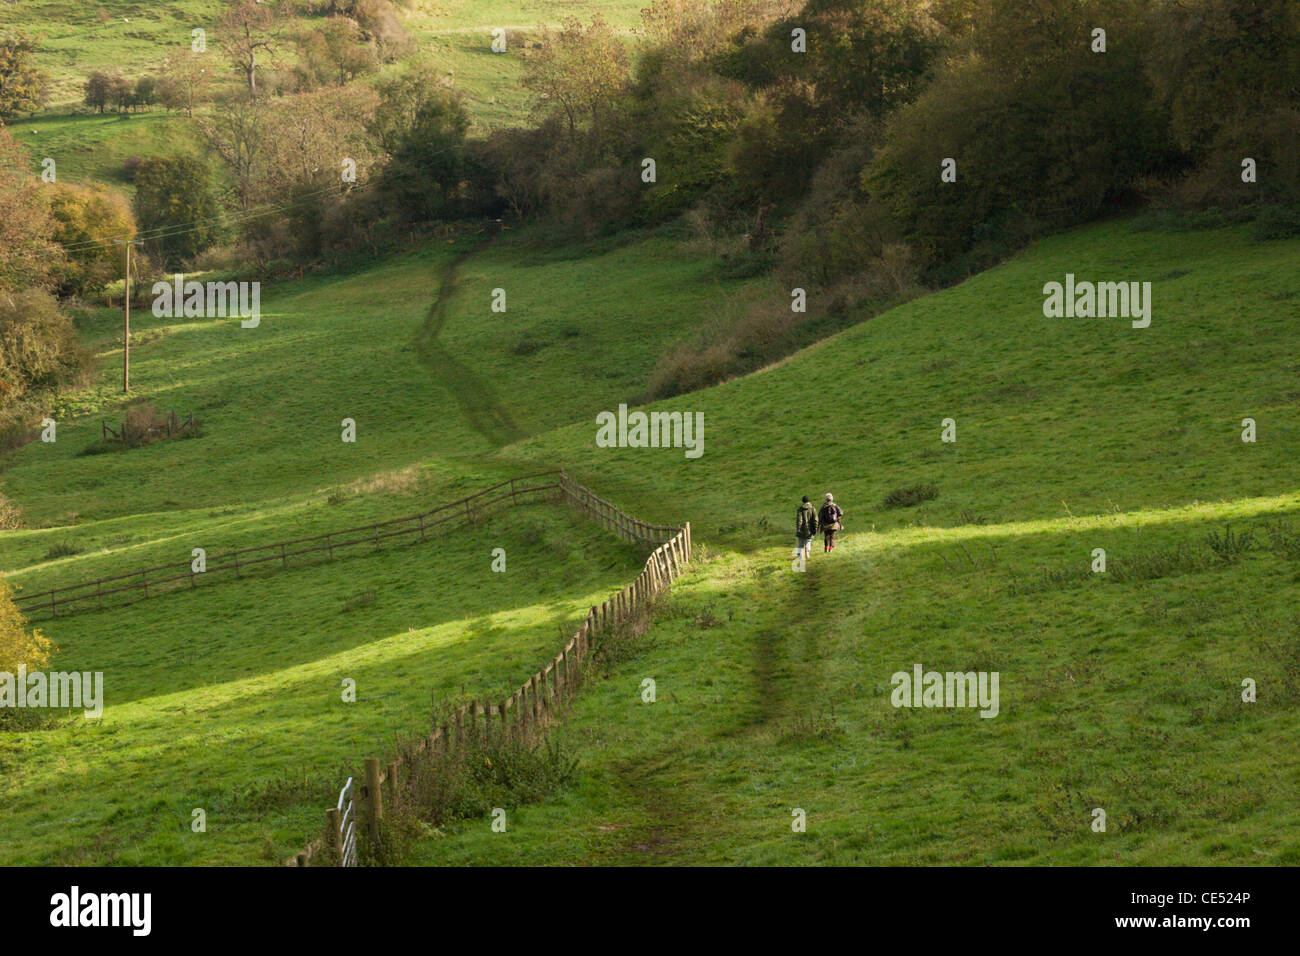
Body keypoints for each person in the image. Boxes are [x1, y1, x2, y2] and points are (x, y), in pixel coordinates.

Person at [794, 495, 818, 560]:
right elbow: (815, 520)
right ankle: (807, 553)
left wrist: (798, 529)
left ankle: (800, 555)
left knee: (800, 542)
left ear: (803, 501)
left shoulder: (800, 509)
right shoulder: (813, 509)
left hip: (801, 529)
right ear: (809, 501)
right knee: (808, 541)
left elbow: (799, 520)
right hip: (810, 529)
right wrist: (815, 528)